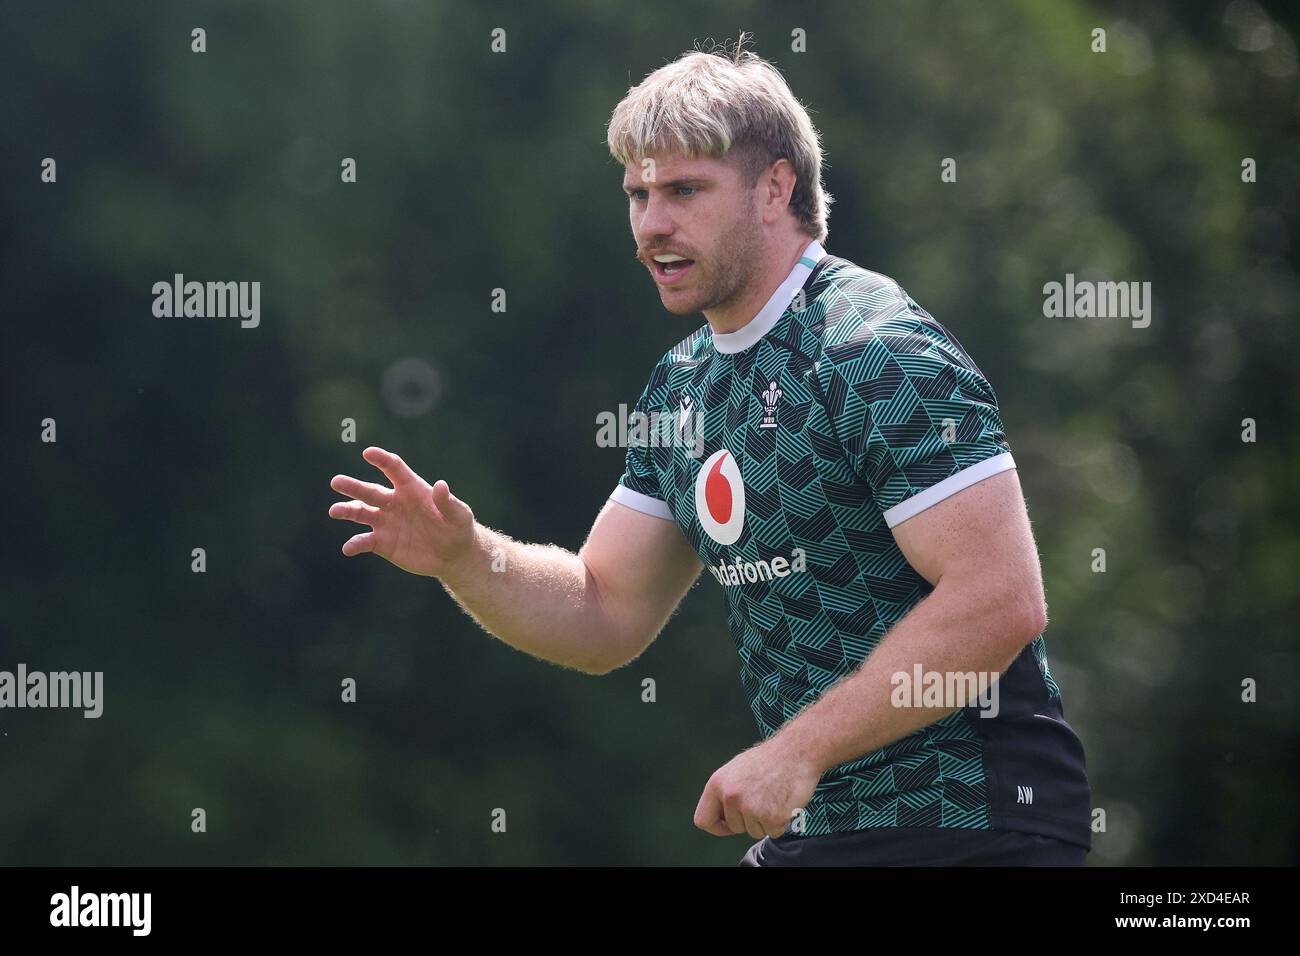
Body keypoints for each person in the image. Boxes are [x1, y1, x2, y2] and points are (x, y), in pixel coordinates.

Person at [328, 38, 1091, 867]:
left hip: (974, 828)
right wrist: (467, 557)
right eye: (638, 193)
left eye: (685, 190)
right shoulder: (682, 388)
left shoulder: (875, 349)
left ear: (775, 188)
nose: (653, 223)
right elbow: (603, 610)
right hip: (822, 835)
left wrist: (798, 749)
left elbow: (1000, 595)